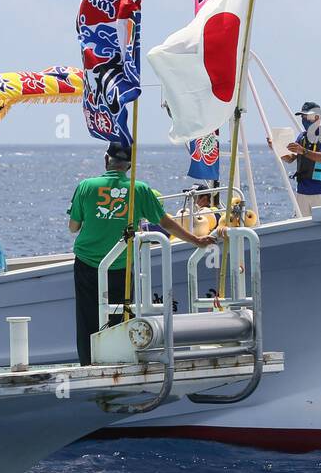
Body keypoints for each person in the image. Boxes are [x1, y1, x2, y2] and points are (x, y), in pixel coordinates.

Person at [68, 144, 218, 366]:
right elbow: (166, 222)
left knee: (87, 316)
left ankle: (88, 363)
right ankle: (119, 360)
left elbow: (73, 227)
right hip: (121, 264)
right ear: (130, 165)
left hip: (87, 262)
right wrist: (195, 240)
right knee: (121, 317)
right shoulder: (140, 189)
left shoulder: (86, 186)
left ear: (105, 159)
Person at [280, 101, 321, 216]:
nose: (304, 119)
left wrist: (303, 151)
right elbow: (290, 158)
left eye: (307, 116)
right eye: (302, 116)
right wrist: (277, 148)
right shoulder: (302, 137)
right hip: (302, 194)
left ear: (317, 117)